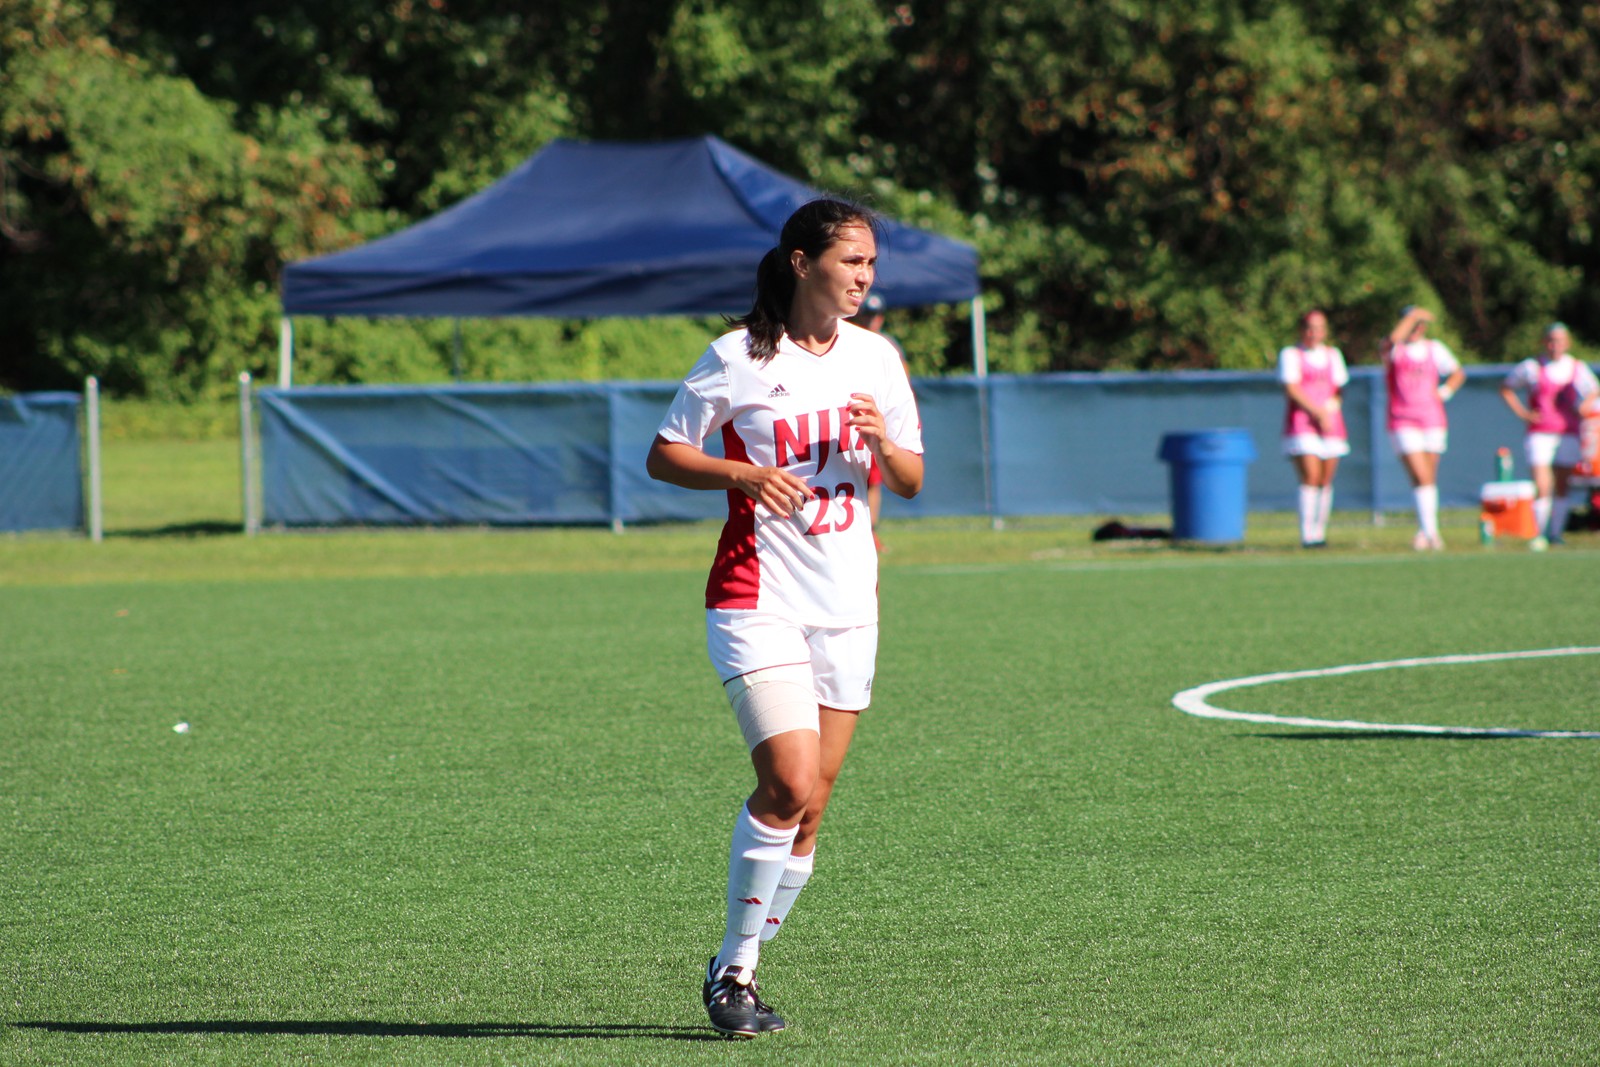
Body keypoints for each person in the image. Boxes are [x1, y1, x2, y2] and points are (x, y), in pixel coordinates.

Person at [645, 198, 924, 1039]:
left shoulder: (876, 358)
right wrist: (742, 475)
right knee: (789, 782)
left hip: (849, 605)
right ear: (801, 262)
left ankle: (743, 967)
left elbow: (911, 479)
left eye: (871, 263)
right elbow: (664, 454)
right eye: (851, 261)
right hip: (754, 598)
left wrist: (881, 444)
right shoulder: (737, 357)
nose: (865, 276)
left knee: (814, 804)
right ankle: (733, 968)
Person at [1498, 322, 1600, 549]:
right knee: (1542, 484)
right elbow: (1506, 388)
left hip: (1567, 432)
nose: (1555, 346)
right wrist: (1523, 413)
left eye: (1560, 341)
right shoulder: (1532, 367)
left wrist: (1585, 406)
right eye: (1551, 340)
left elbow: (1594, 389)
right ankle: (1539, 533)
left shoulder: (1576, 367)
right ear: (1544, 342)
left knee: (1562, 484)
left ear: (1567, 343)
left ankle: (1555, 533)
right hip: (1540, 432)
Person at [1381, 305, 1466, 550]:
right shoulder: (1395, 350)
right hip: (1402, 419)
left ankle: (1425, 531)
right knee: (1421, 475)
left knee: (1427, 477)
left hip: (1432, 419)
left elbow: (1457, 373)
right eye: (1412, 323)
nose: (1416, 328)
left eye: (1420, 324)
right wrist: (1413, 315)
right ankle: (1431, 532)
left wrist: (1445, 391)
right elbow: (1391, 341)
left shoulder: (1434, 348)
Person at [1278, 310, 1349, 547]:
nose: (1314, 333)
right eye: (1309, 327)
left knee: (1325, 480)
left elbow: (1339, 389)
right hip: (1303, 423)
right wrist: (1316, 412)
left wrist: (1329, 410)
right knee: (1311, 476)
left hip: (1330, 424)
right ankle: (1307, 534)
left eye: (1319, 328)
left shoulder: (1333, 354)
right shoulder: (1291, 354)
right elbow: (1292, 387)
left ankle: (1320, 533)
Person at [849, 292, 906, 536]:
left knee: (874, 479)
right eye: (867, 315)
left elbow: (903, 382)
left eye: (876, 315)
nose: (872, 320)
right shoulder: (847, 341)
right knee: (859, 474)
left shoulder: (887, 345)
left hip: (879, 421)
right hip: (853, 417)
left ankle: (871, 531)